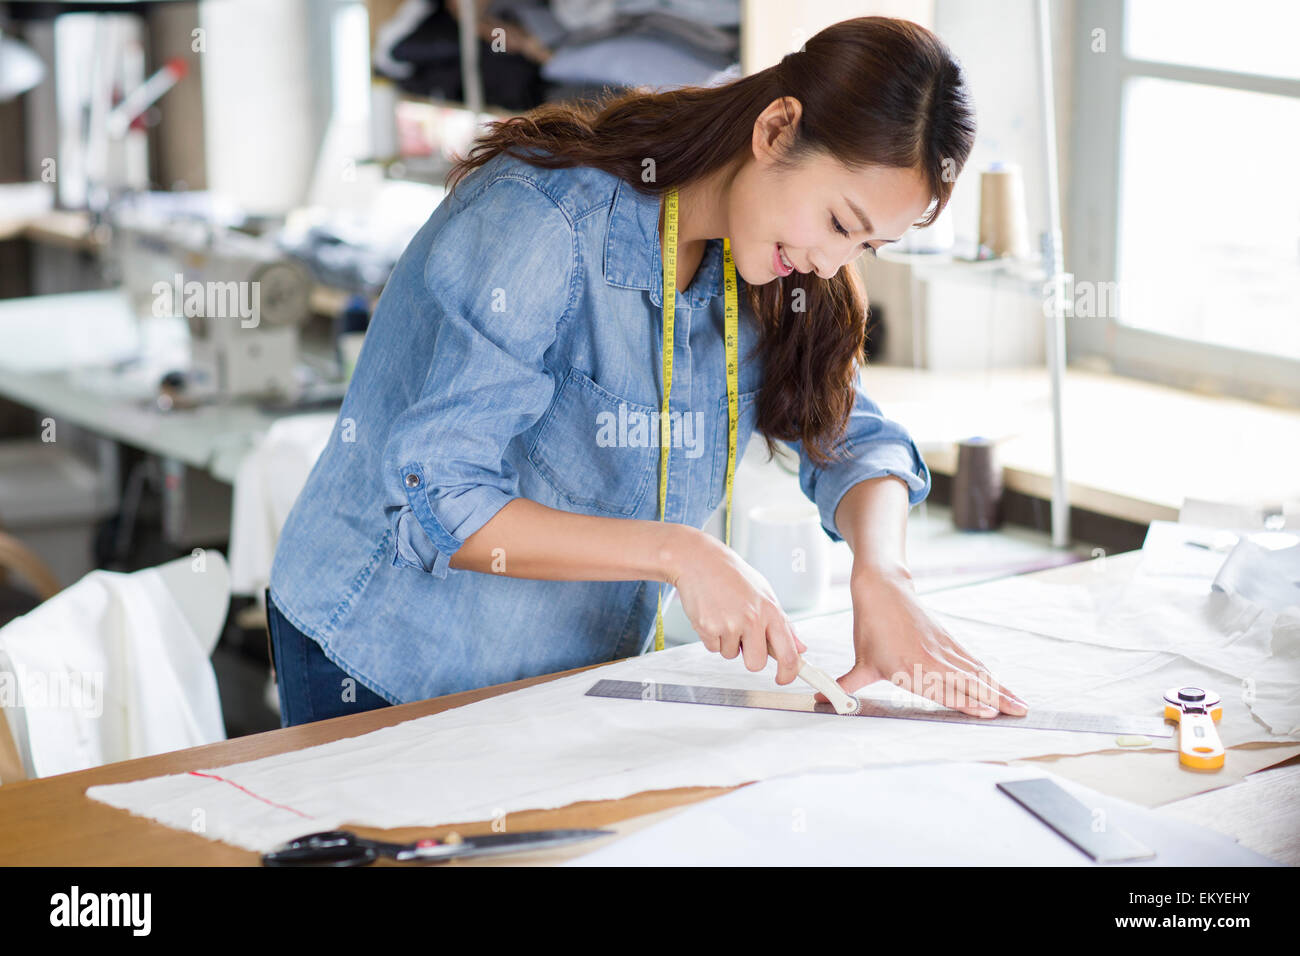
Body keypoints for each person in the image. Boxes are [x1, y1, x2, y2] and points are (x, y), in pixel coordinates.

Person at [267, 15, 1028, 727]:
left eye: (864, 248)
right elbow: (438, 496)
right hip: (384, 654)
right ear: (774, 129)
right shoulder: (543, 224)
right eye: (839, 223)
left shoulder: (774, 268)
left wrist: (882, 575)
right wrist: (680, 552)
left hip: (562, 681)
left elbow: (857, 438)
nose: (833, 262)